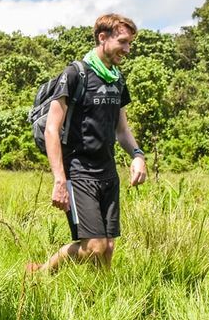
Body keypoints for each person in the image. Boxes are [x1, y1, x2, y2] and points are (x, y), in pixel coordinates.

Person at [27, 14, 148, 274]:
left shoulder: (117, 79)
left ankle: (101, 297)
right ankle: (43, 271)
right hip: (79, 171)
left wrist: (137, 155)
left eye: (130, 44)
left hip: (107, 171)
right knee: (93, 246)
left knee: (108, 248)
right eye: (123, 42)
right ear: (103, 38)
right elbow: (52, 129)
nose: (127, 50)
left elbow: (122, 129)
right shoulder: (75, 74)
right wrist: (60, 179)